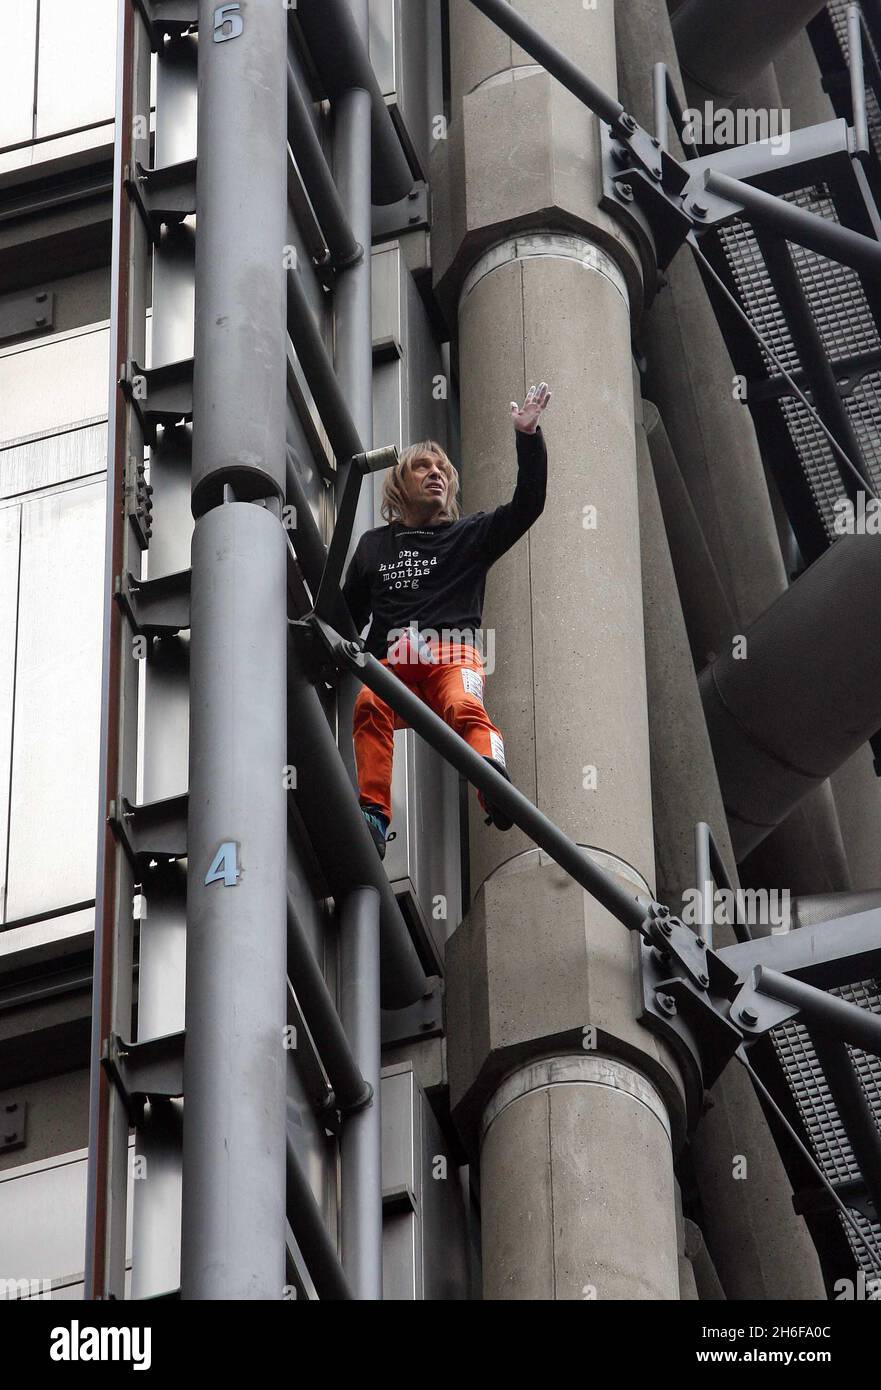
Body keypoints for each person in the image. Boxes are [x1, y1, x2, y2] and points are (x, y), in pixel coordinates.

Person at [342, 383, 552, 858]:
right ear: (399, 484)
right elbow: (346, 619)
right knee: (368, 705)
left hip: (451, 653)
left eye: (442, 470)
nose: (435, 474)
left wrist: (528, 436)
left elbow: (529, 503)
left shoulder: (469, 535)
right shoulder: (375, 546)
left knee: (463, 704)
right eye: (423, 467)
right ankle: (373, 816)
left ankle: (492, 780)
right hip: (392, 662)